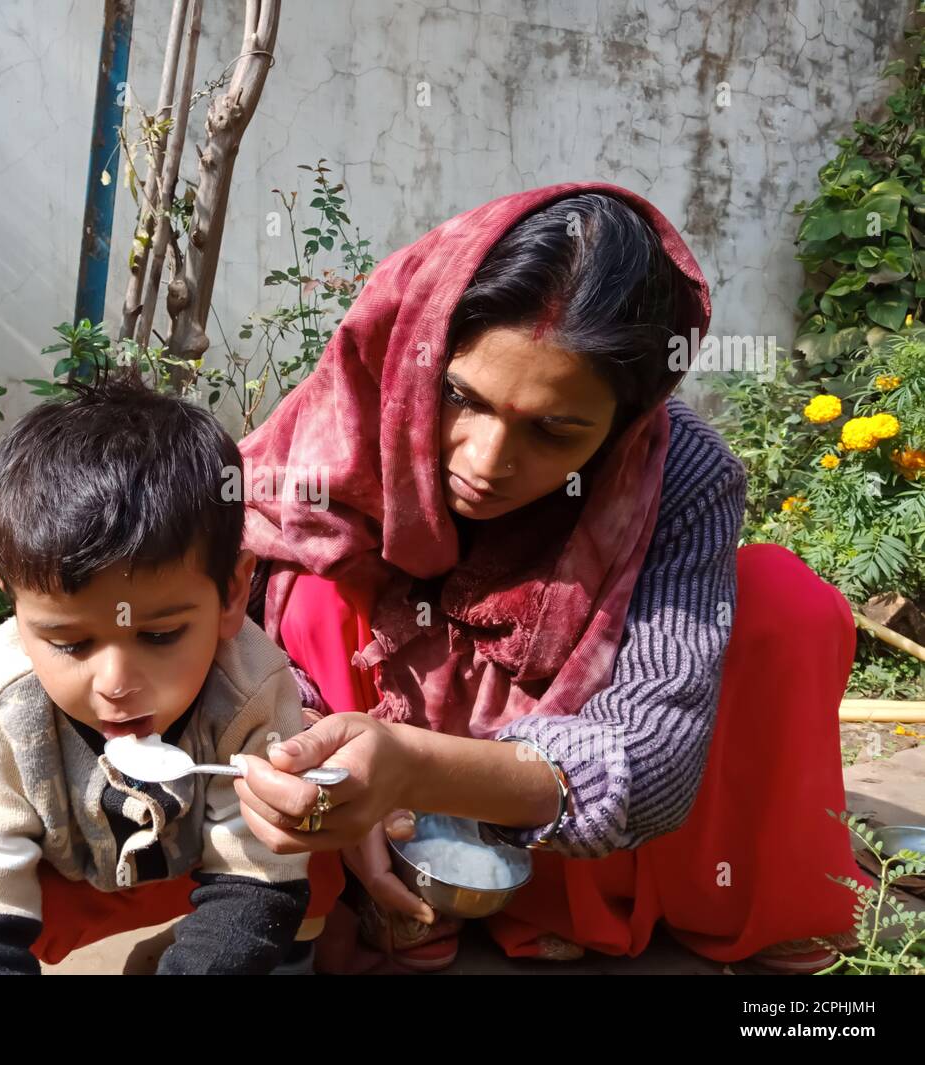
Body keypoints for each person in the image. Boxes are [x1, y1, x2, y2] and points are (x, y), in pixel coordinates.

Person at [230, 183, 871, 974]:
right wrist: (314, 764)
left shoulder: (677, 476)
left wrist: (416, 764)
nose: (486, 462)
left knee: (784, 600)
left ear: (627, 419)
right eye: (461, 398)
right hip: (364, 808)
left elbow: (658, 753)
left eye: (554, 431)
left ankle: (574, 899)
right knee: (314, 584)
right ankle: (368, 883)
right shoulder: (349, 418)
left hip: (555, 826)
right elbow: (224, 637)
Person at [0, 373, 343, 974]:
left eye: (159, 636)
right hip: (65, 877)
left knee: (311, 852)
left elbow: (257, 873)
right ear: (16, 607)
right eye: (69, 642)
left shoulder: (251, 687)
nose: (115, 683)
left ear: (232, 594)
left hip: (200, 865)